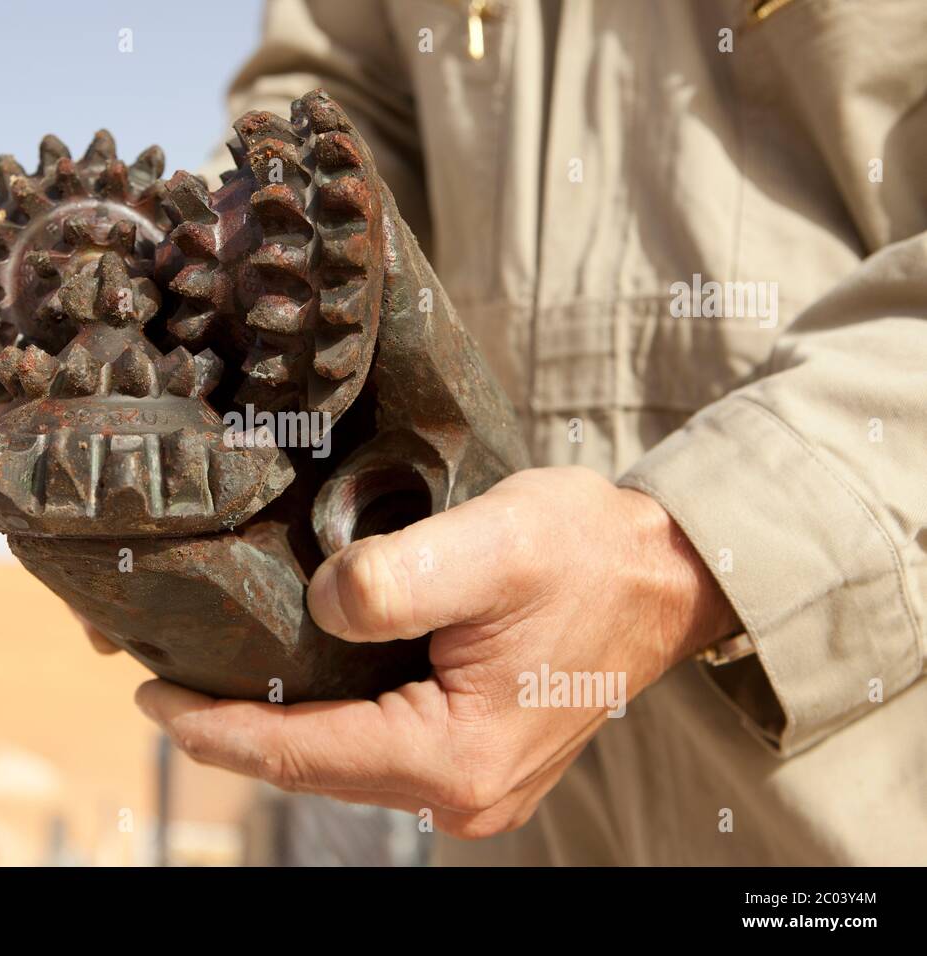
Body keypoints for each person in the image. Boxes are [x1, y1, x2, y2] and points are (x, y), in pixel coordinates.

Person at [96, 0, 927, 864]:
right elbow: (335, 113)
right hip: (493, 787)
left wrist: (691, 551)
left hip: (851, 773)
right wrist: (187, 300)